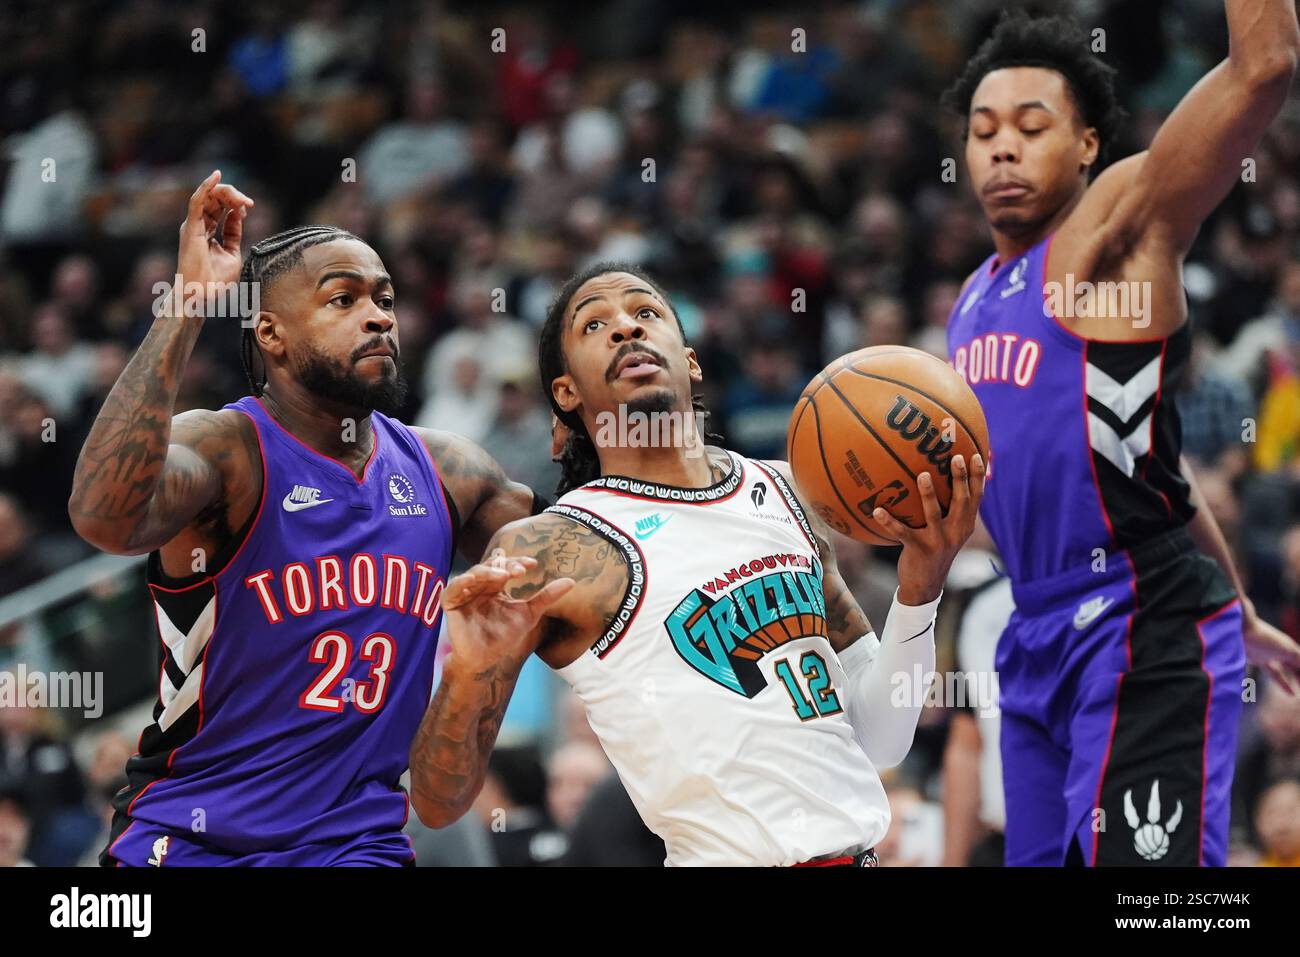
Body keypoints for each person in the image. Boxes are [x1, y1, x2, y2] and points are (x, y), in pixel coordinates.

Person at [407, 263, 985, 866]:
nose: (626, 328)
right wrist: (467, 673)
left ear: (689, 360)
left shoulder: (789, 491)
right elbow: (437, 804)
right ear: (566, 392)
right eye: (594, 323)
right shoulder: (549, 549)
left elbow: (880, 739)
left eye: (646, 312)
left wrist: (920, 591)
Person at [67, 172, 540, 866]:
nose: (379, 316)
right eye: (342, 299)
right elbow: (104, 516)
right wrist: (189, 303)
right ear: (273, 334)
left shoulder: (452, 472)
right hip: (191, 836)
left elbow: (567, 561)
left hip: (354, 845)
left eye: (384, 298)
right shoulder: (229, 451)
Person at [941, 7, 1300, 866]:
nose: (1002, 147)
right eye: (983, 130)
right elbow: (1149, 465)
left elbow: (1264, 68)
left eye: (1033, 127)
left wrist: (1216, 606)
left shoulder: (1107, 239)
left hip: (1139, 622)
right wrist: (1244, 607)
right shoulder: (971, 297)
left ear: (1091, 146)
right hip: (1032, 627)